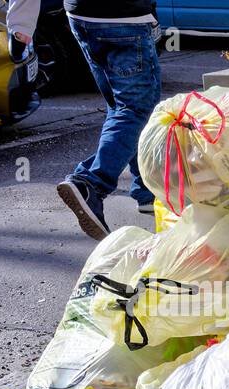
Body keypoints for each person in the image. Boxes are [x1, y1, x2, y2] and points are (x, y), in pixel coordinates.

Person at [55, 1, 162, 239]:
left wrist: (20, 25)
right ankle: (91, 182)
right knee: (135, 109)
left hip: (81, 17)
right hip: (124, 19)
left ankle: (147, 190)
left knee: (122, 107)